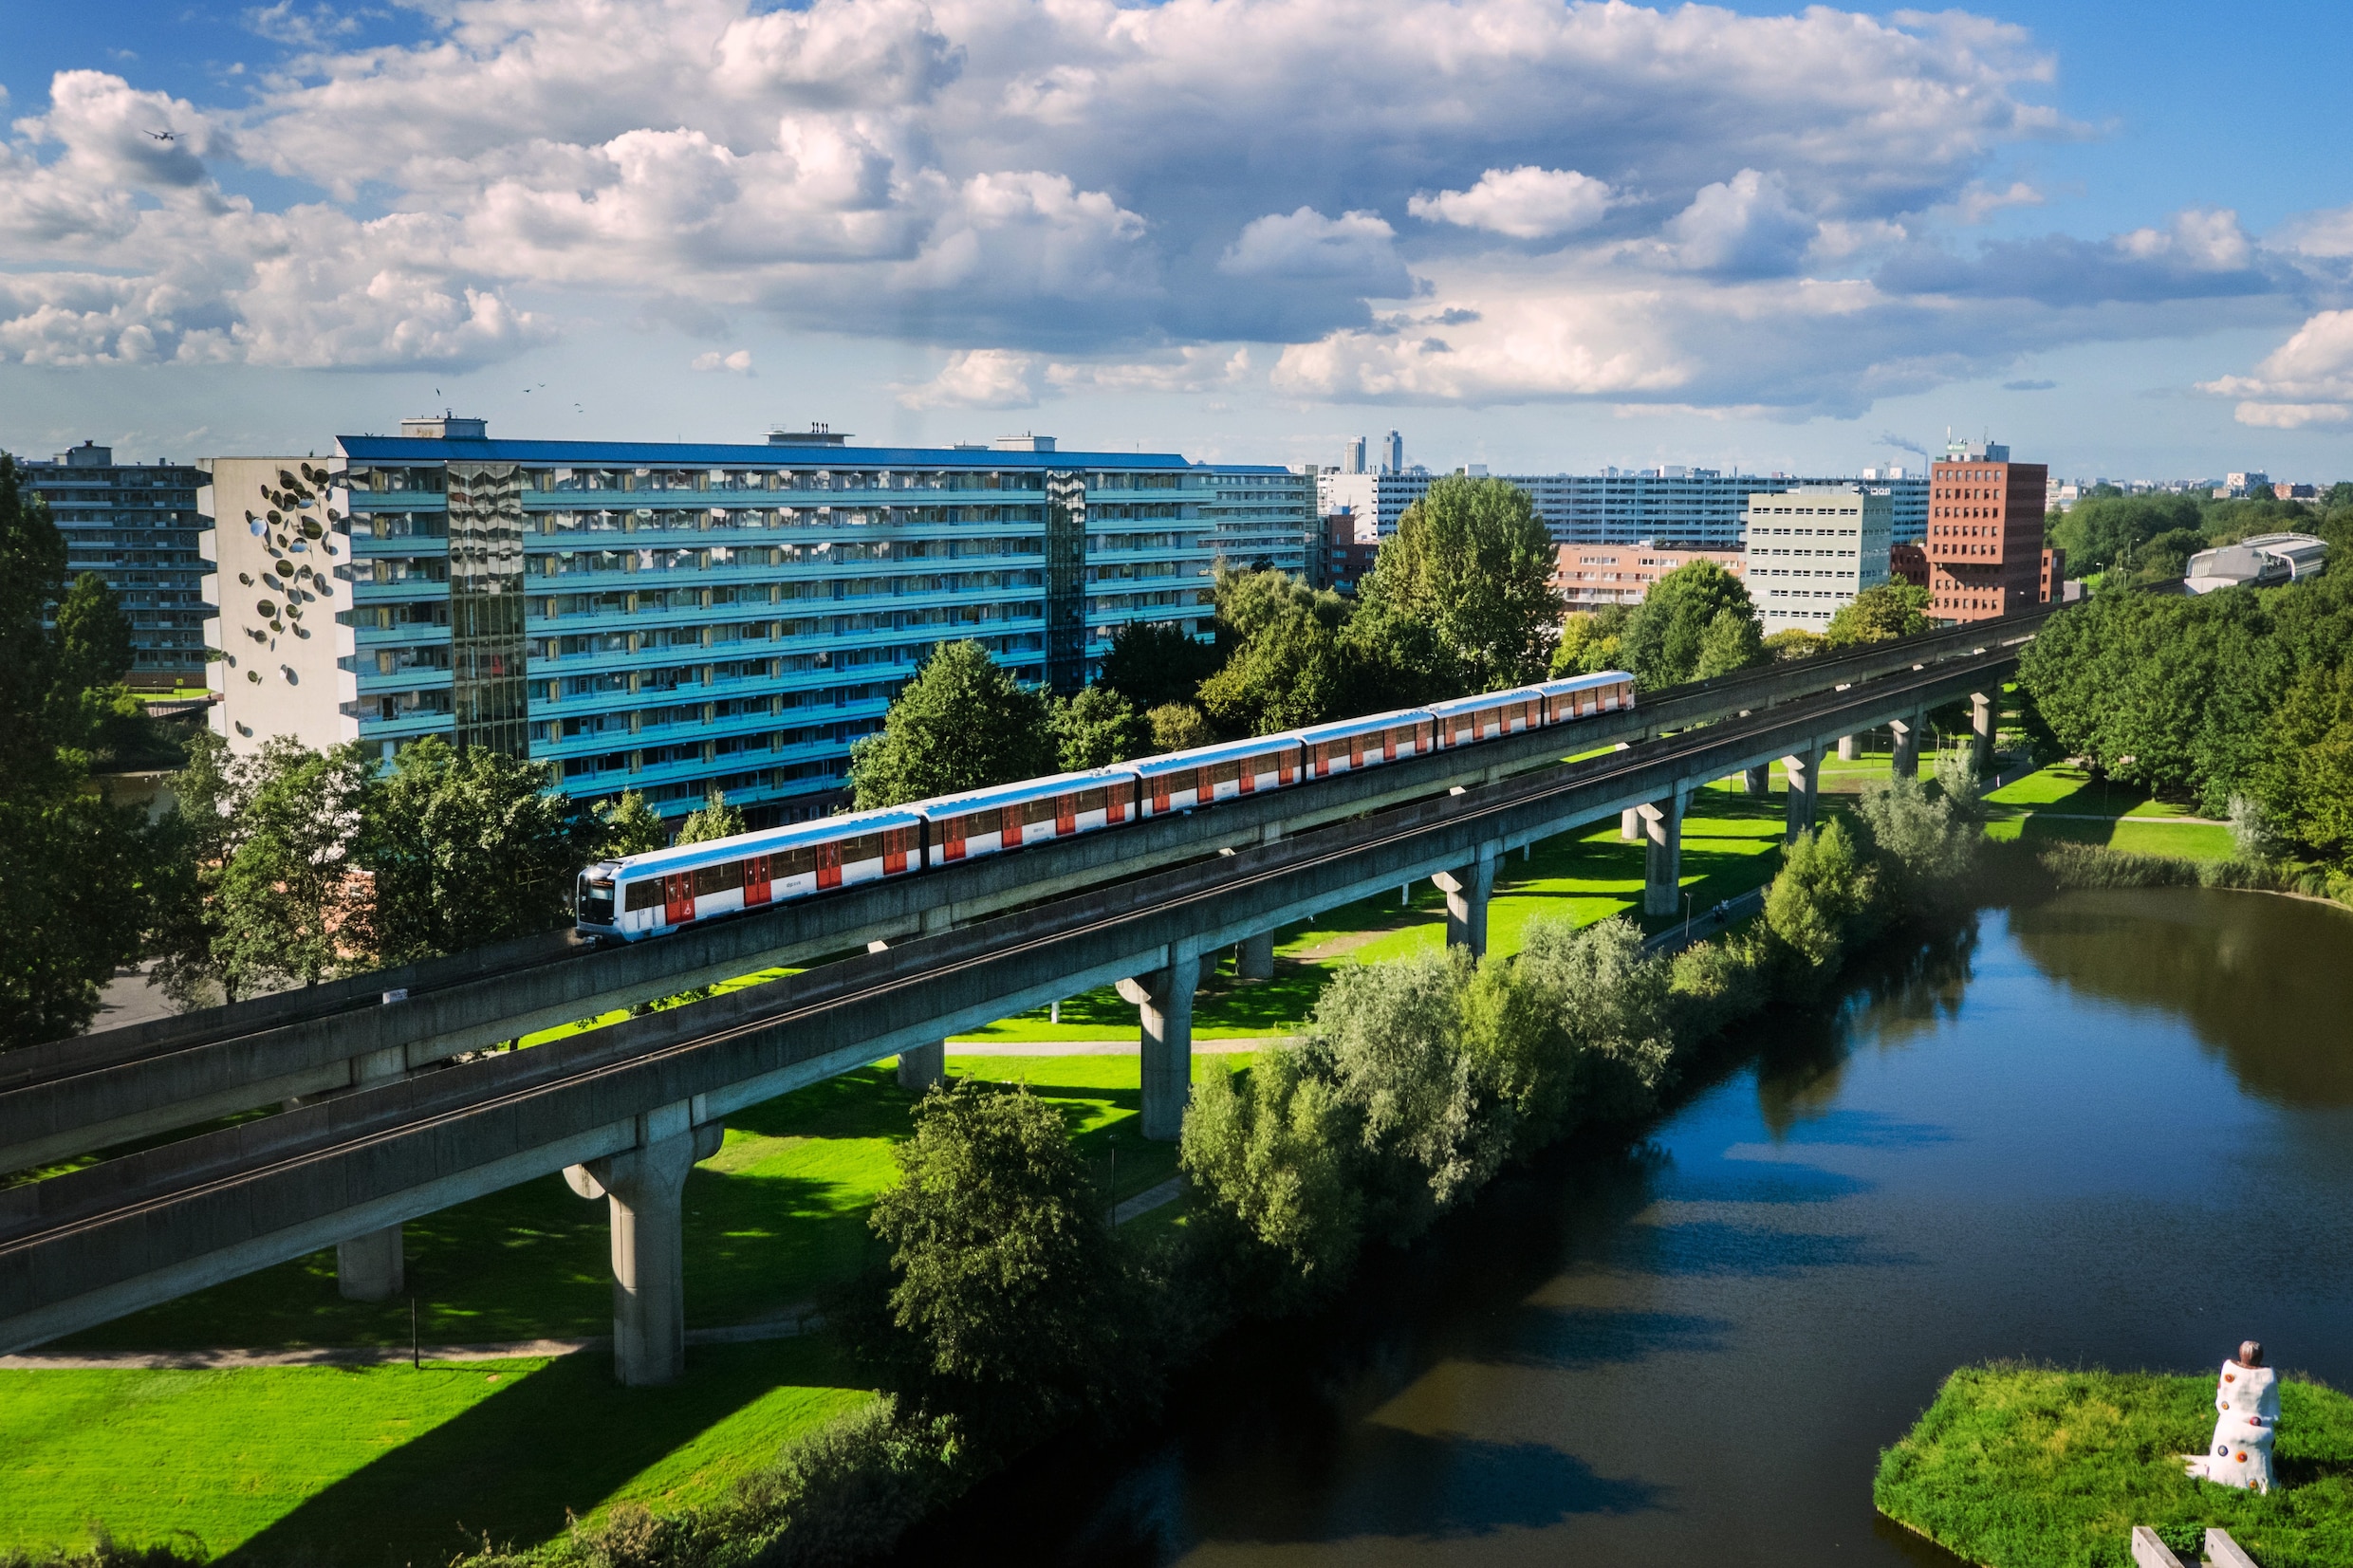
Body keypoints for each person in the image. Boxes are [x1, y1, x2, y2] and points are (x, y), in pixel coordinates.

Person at [2185, 1339, 2278, 1494]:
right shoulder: (2268, 1376)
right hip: (2260, 1432)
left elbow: (2222, 1401)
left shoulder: (2230, 1370)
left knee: (2222, 1431)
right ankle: (2256, 1481)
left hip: (2229, 1428)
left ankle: (2220, 1476)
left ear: (2241, 1355)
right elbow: (2273, 1408)